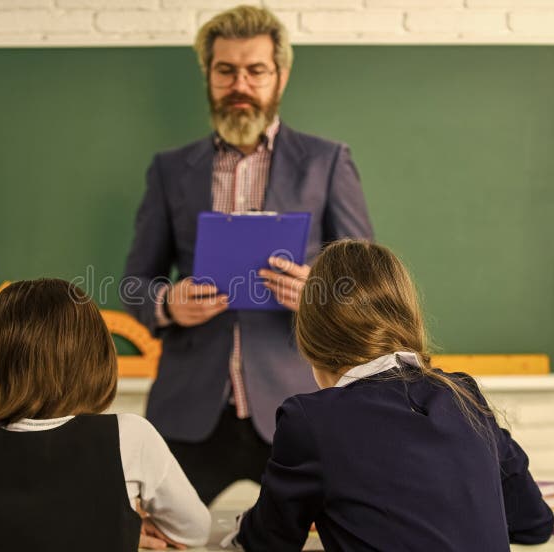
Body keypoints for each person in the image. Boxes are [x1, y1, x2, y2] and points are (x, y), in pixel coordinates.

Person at [122, 5, 373, 505]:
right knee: (156, 538)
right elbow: (134, 283)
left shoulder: (327, 162)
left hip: (299, 406)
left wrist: (319, 296)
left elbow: (367, 285)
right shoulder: (171, 170)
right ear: (208, 76)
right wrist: (168, 304)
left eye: (255, 70)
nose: (240, 83)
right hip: (188, 411)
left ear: (279, 75)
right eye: (225, 70)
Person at [224, 239, 554, 551]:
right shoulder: (462, 394)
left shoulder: (310, 420)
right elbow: (534, 522)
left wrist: (243, 528)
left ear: (311, 336)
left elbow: (270, 542)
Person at [0, 279, 210, 551]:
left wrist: (122, 529)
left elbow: (31, 530)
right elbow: (194, 531)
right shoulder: (129, 435)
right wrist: (126, 527)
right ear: (96, 356)